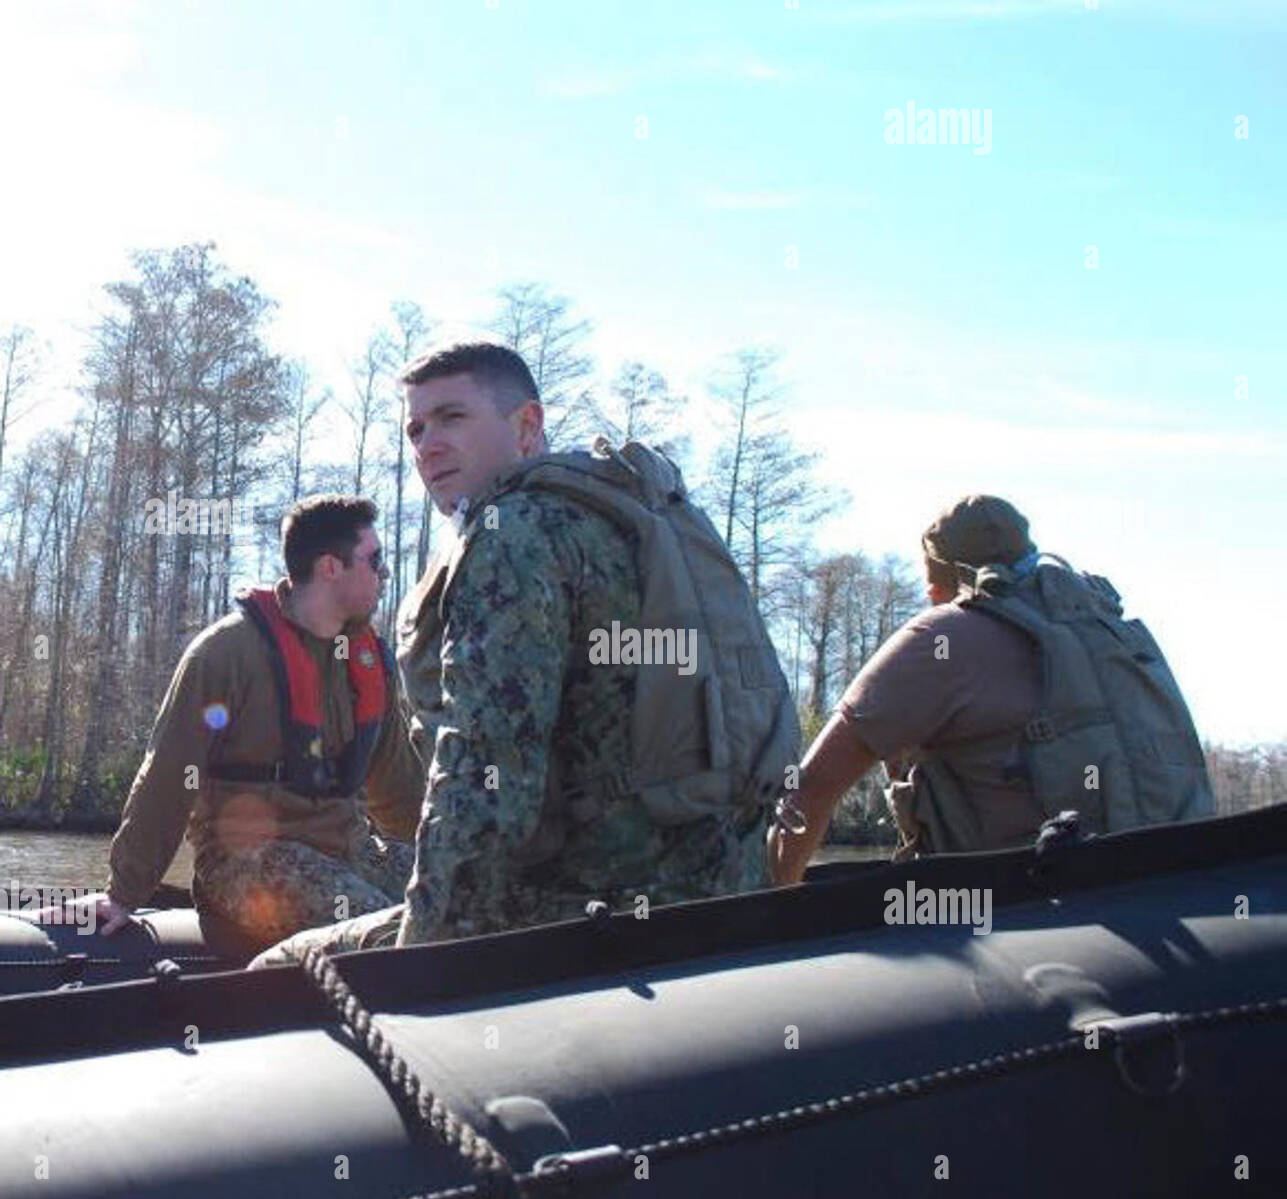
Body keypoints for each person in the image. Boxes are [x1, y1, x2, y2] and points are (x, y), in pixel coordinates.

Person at [249, 342, 797, 966]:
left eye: (452, 418)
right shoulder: (634, 517)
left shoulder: (512, 537)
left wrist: (417, 968)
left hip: (589, 910)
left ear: (527, 426)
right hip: (724, 890)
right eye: (416, 428)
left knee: (277, 970)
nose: (427, 445)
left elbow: (486, 790)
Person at [40, 496, 425, 955]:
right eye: (374, 559)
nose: (383, 573)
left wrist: (444, 858)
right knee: (388, 937)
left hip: (346, 848)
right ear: (330, 567)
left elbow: (401, 792)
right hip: (246, 861)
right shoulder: (225, 653)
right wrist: (124, 893)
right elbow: (167, 773)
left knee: (463, 892)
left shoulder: (366, 663)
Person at [768, 494, 1214, 883]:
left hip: (1019, 914)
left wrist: (774, 909)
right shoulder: (1108, 629)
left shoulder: (939, 639)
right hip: (1166, 887)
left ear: (939, 577)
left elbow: (810, 791)